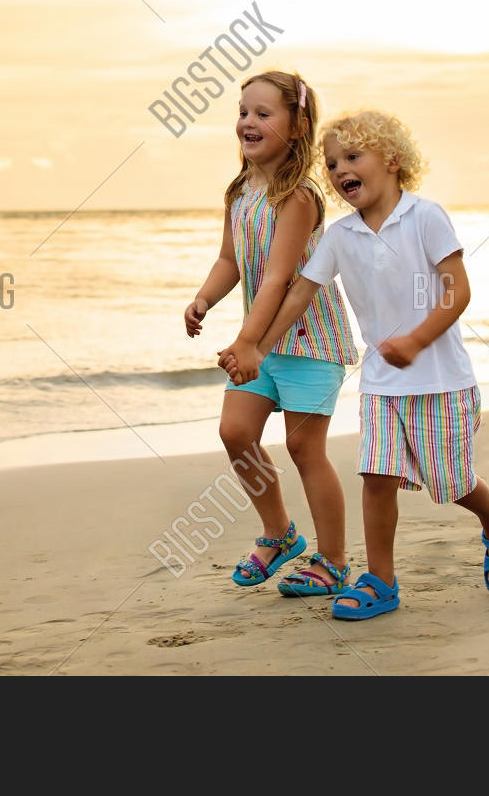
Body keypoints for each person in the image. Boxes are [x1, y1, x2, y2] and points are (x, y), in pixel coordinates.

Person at [219, 109, 489, 619]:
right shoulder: (340, 236)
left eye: (352, 158)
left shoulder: (425, 217)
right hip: (381, 383)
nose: (339, 172)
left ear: (394, 161)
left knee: (450, 483)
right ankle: (380, 580)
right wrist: (260, 346)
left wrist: (417, 340)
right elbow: (299, 295)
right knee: (377, 476)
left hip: (440, 380)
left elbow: (458, 289)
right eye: (333, 163)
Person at [184, 71, 360, 596]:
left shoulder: (299, 196)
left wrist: (247, 342)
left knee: (306, 449)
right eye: (243, 112)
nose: (248, 122)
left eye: (263, 113)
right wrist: (203, 299)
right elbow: (229, 259)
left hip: (309, 341)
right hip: (258, 341)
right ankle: (280, 532)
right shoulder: (239, 191)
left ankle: (332, 560)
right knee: (236, 433)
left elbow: (282, 277)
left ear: (297, 124)